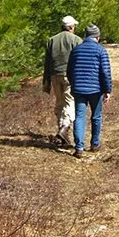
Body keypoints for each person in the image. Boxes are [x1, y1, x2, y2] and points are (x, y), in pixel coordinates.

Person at [67, 23, 112, 159]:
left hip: (79, 89)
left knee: (80, 117)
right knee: (96, 116)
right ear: (97, 37)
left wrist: (74, 84)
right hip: (95, 90)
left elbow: (69, 71)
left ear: (86, 36)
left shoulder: (76, 50)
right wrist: (107, 90)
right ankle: (94, 144)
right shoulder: (101, 50)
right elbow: (105, 72)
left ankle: (79, 147)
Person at [42, 15, 83, 147]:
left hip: (54, 75)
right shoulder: (77, 40)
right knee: (70, 102)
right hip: (70, 75)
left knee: (60, 102)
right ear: (71, 27)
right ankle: (64, 128)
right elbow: (79, 60)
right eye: (74, 26)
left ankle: (61, 136)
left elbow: (47, 63)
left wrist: (46, 81)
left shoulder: (51, 40)